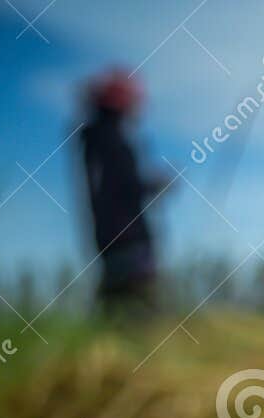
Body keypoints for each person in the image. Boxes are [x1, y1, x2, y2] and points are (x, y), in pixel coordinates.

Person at [79, 69, 169, 310]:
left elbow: (113, 189)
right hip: (129, 239)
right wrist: (156, 185)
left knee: (117, 309)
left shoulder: (93, 142)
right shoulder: (113, 141)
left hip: (107, 239)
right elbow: (126, 188)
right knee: (142, 313)